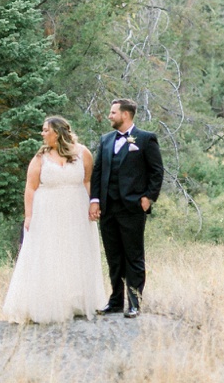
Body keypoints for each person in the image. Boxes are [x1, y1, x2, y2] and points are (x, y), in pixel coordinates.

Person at [2, 116, 105, 323]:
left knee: (75, 251)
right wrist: (29, 215)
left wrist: (93, 205)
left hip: (76, 210)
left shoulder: (82, 153)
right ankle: (47, 304)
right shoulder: (40, 157)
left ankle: (77, 301)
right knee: (49, 253)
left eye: (45, 130)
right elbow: (30, 188)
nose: (42, 134)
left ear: (57, 132)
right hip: (47, 211)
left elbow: (87, 181)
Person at [89, 98, 164, 318]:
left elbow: (156, 171)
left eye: (113, 113)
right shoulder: (105, 140)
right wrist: (95, 200)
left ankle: (134, 302)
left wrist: (149, 197)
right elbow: (97, 173)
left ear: (125, 115)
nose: (110, 116)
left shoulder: (145, 138)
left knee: (133, 255)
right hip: (108, 208)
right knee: (113, 256)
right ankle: (114, 301)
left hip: (132, 206)